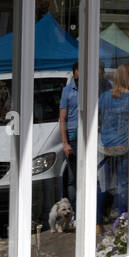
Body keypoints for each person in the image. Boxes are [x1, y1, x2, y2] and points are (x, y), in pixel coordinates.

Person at [97, 62, 129, 225]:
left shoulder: (104, 96)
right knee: (122, 184)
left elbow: (98, 119)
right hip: (123, 146)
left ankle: (97, 220)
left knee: (103, 185)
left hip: (105, 146)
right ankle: (122, 219)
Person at [59, 62, 79, 212]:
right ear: (74, 73)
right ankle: (76, 213)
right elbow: (62, 118)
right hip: (73, 137)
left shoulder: (92, 88)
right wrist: (65, 143)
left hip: (89, 136)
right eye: (78, 72)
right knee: (72, 178)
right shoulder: (67, 90)